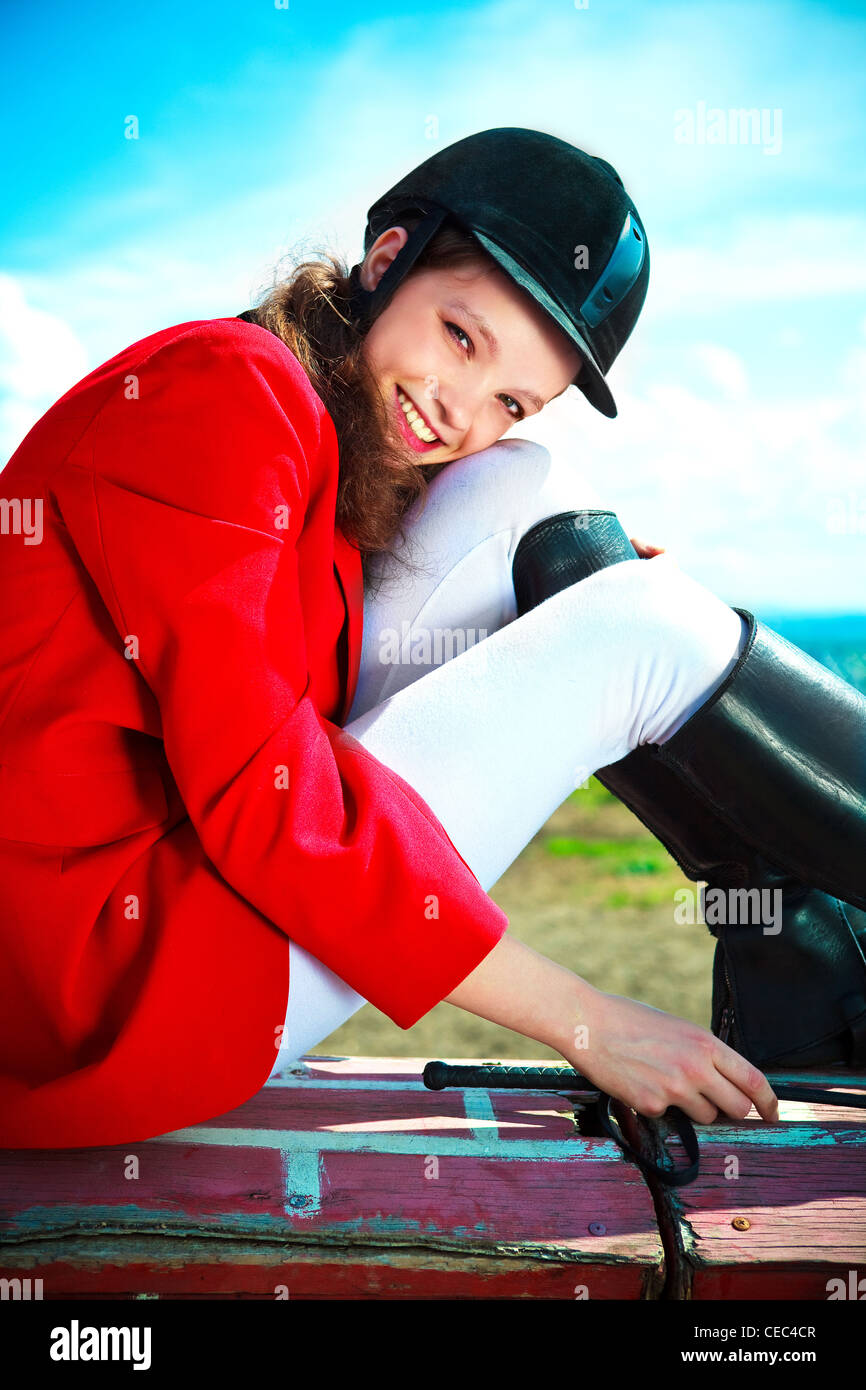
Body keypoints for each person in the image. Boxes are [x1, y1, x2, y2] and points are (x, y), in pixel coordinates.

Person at [0, 129, 862, 1150]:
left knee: (524, 487)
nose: (459, 408)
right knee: (642, 625)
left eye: (509, 399)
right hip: (92, 986)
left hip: (159, 904)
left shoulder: (318, 448)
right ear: (387, 257)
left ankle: (800, 947)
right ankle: (812, 968)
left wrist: (562, 575)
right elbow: (268, 799)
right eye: (460, 336)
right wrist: (591, 1018)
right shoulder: (220, 386)